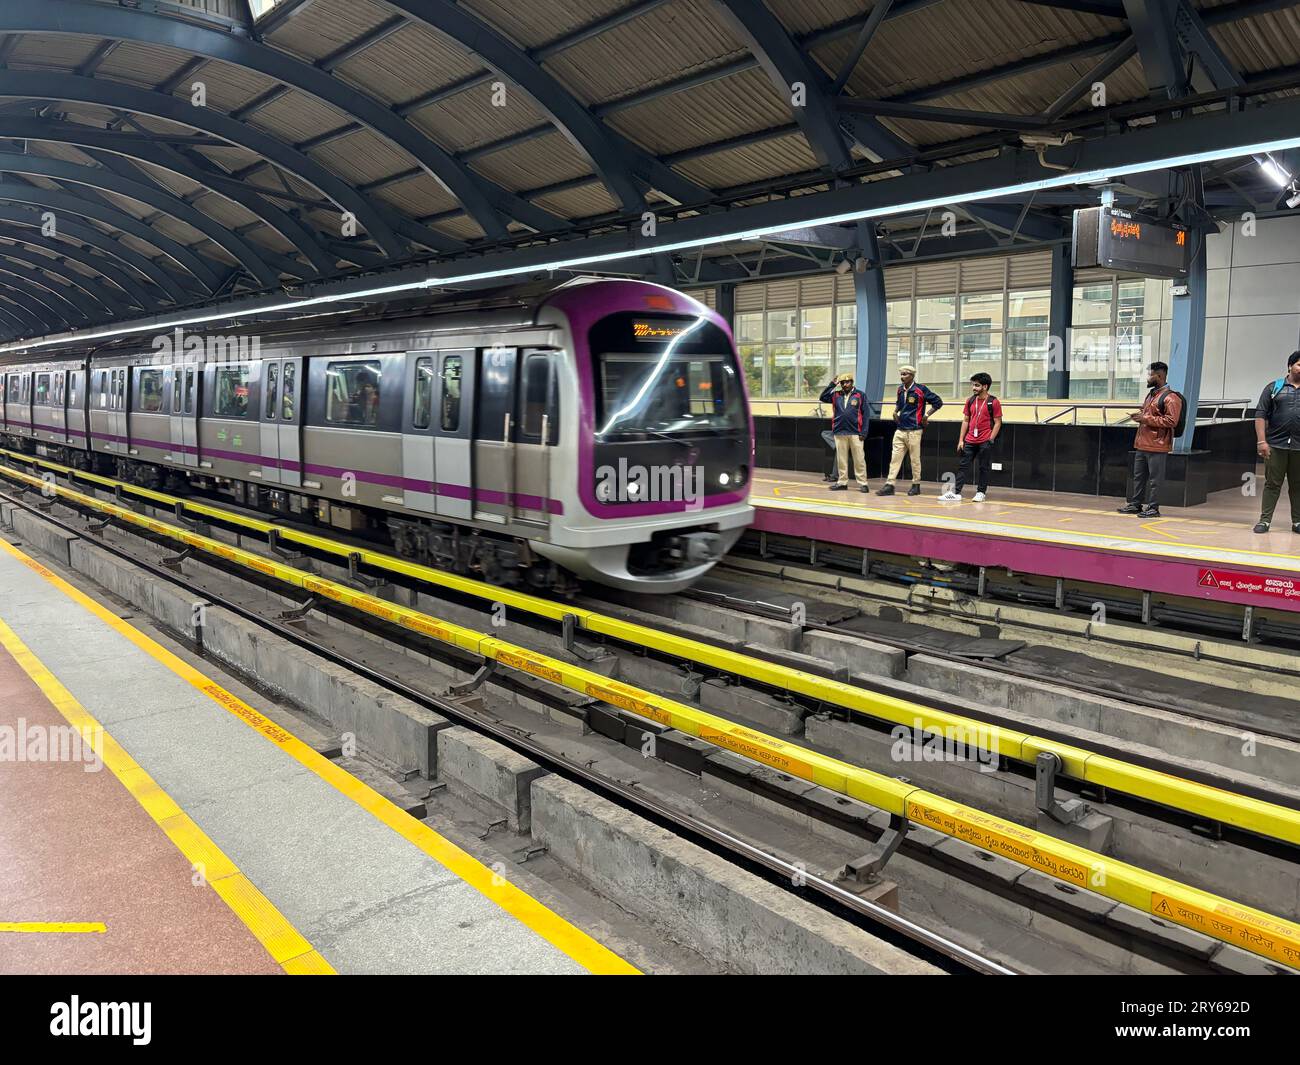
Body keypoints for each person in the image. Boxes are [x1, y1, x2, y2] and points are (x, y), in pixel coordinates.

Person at [1116, 361, 1181, 519]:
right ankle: (1135, 504)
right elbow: (1153, 415)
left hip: (1157, 446)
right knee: (1138, 476)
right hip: (1142, 444)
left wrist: (1144, 418)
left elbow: (1172, 421)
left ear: (1159, 376)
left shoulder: (1171, 398)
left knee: (1155, 480)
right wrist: (1142, 414)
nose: (1147, 378)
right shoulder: (1151, 395)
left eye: (1149, 374)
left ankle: (1153, 507)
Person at [1252, 350, 1300, 534]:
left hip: (1299, 447)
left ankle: (1297, 522)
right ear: (1290, 365)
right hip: (1276, 445)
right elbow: (1260, 414)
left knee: (1298, 485)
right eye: (1299, 364)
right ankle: (1265, 521)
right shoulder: (1274, 388)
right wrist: (1261, 441)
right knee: (1272, 484)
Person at [878, 365, 943, 496]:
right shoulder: (900, 390)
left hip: (914, 430)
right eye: (901, 374)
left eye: (905, 374)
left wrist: (926, 415)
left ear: (912, 376)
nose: (902, 377)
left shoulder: (921, 389)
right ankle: (889, 485)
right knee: (895, 458)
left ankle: (916, 485)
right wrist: (895, 411)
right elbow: (900, 403)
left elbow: (938, 402)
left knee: (914, 459)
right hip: (900, 429)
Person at [940, 373, 1001, 502]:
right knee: (963, 466)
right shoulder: (970, 400)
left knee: (983, 467)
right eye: (973, 384)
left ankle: (981, 492)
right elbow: (966, 420)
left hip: (985, 440)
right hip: (970, 440)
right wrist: (961, 440)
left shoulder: (993, 402)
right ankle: (956, 493)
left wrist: (990, 439)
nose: (973, 387)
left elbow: (997, 422)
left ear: (985, 386)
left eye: (977, 385)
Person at [818, 371, 870, 492]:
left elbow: (866, 414)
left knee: (859, 459)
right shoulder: (836, 395)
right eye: (842, 382)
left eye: (847, 382)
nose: (845, 384)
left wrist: (864, 432)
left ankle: (863, 483)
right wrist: (832, 384)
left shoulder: (860, 395)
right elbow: (822, 397)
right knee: (841, 460)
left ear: (852, 382)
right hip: (839, 431)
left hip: (856, 432)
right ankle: (842, 482)